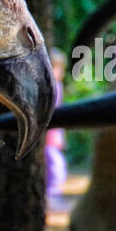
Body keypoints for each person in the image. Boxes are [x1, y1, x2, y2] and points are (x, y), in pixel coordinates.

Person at [46, 47, 68, 208]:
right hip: (48, 137)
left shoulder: (57, 86)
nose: (58, 72)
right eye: (55, 67)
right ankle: (51, 194)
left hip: (54, 136)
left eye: (60, 68)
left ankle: (52, 193)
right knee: (55, 165)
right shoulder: (52, 87)